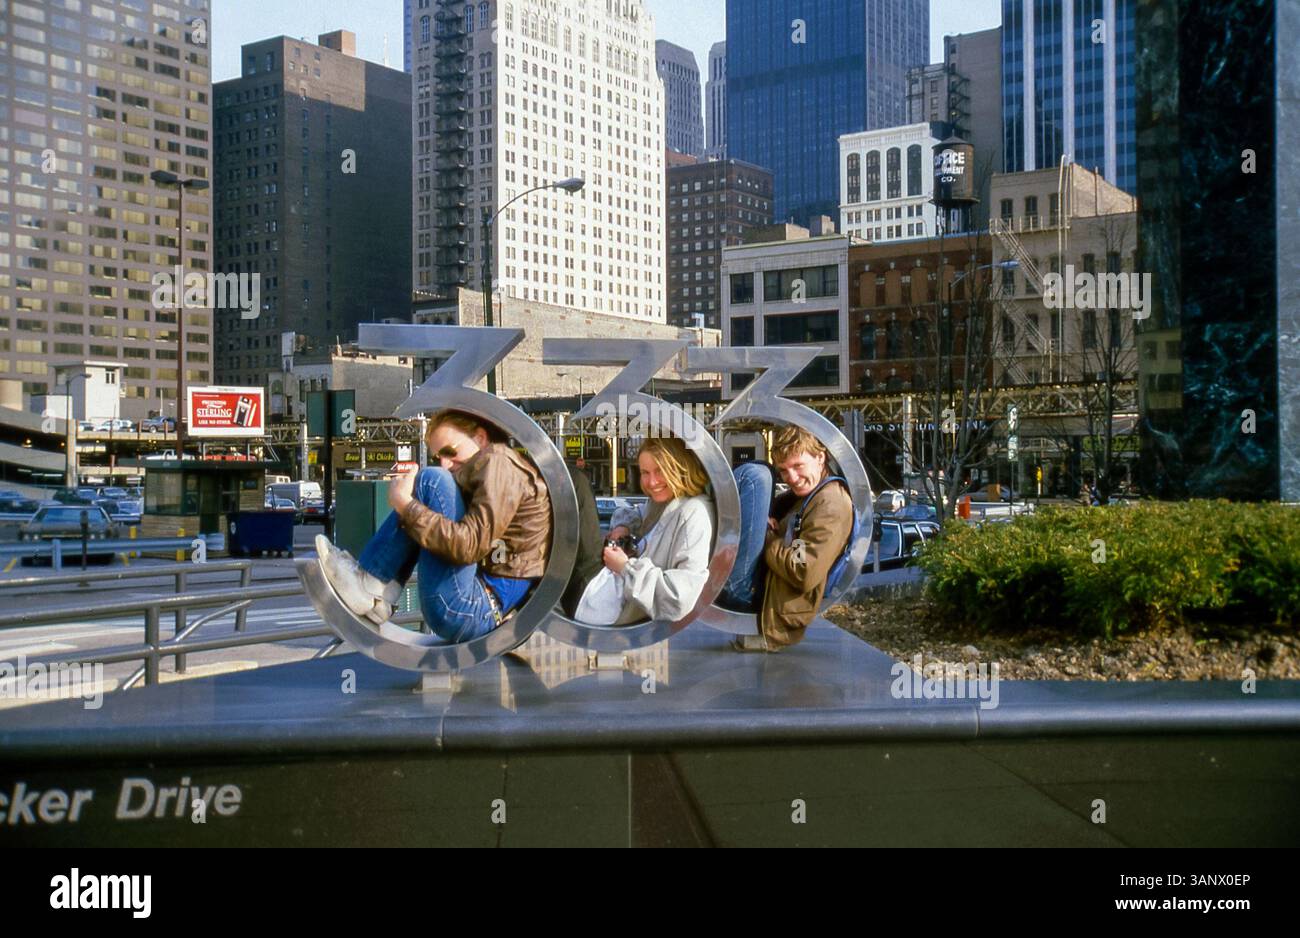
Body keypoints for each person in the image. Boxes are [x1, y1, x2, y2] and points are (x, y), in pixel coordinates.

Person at [314, 410, 551, 644]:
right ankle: (378, 595)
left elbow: (469, 545)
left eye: (449, 451)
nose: (446, 463)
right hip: (476, 607)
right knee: (431, 485)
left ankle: (371, 584)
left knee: (432, 480)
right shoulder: (494, 468)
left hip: (473, 608)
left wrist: (405, 505)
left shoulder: (498, 461)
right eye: (439, 456)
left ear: (480, 437)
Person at [722, 426, 855, 653]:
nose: (791, 478)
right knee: (761, 470)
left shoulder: (829, 505)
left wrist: (766, 535)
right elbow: (795, 545)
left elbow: (802, 570)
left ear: (820, 457)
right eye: (784, 470)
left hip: (757, 596)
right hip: (764, 589)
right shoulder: (807, 497)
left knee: (756, 477)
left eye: (798, 466)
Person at [578, 437, 716, 625]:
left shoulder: (693, 514)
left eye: (660, 471)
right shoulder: (664, 503)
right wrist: (623, 527)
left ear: (680, 468)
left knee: (578, 483)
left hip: (602, 603)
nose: (652, 482)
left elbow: (679, 596)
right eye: (645, 472)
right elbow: (634, 513)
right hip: (600, 587)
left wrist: (625, 568)